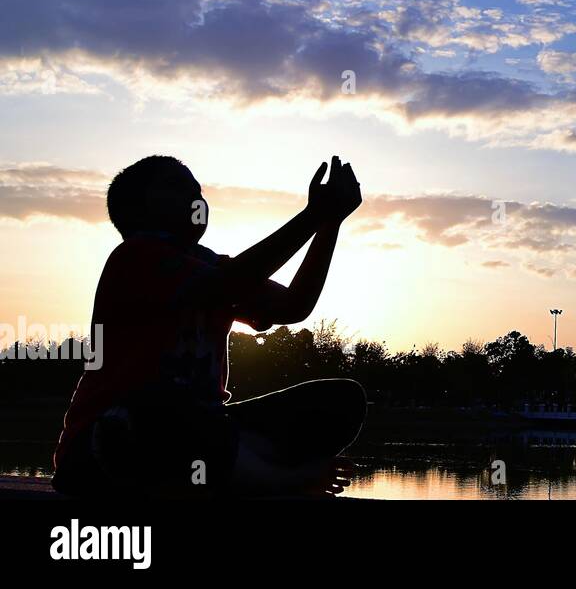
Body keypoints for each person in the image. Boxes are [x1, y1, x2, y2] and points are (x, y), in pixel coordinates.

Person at [52, 155, 366, 497]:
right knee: (168, 408)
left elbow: (293, 305)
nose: (193, 193)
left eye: (196, 187)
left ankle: (242, 471)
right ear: (136, 207)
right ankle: (281, 480)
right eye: (175, 185)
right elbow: (229, 283)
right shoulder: (134, 256)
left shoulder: (209, 264)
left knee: (341, 401)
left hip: (200, 436)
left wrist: (330, 223)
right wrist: (312, 216)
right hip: (107, 448)